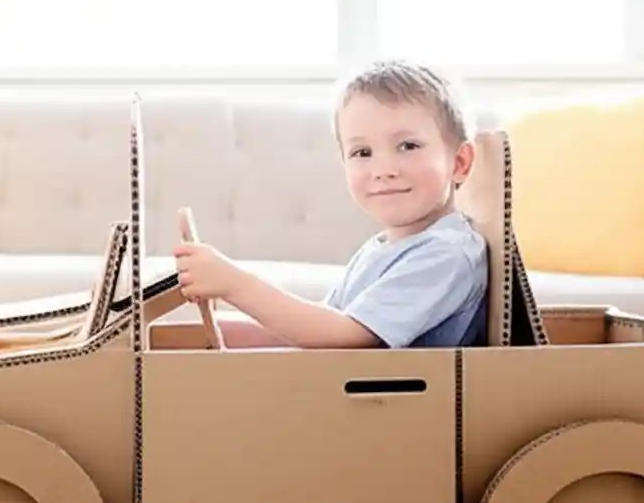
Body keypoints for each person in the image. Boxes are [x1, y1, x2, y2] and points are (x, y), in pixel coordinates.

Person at [173, 60, 487, 349]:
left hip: (395, 407)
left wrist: (235, 284)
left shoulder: (446, 253)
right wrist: (211, 329)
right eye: (363, 153)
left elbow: (341, 337)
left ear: (459, 163)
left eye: (408, 146)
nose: (384, 170)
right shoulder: (383, 248)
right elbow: (314, 328)